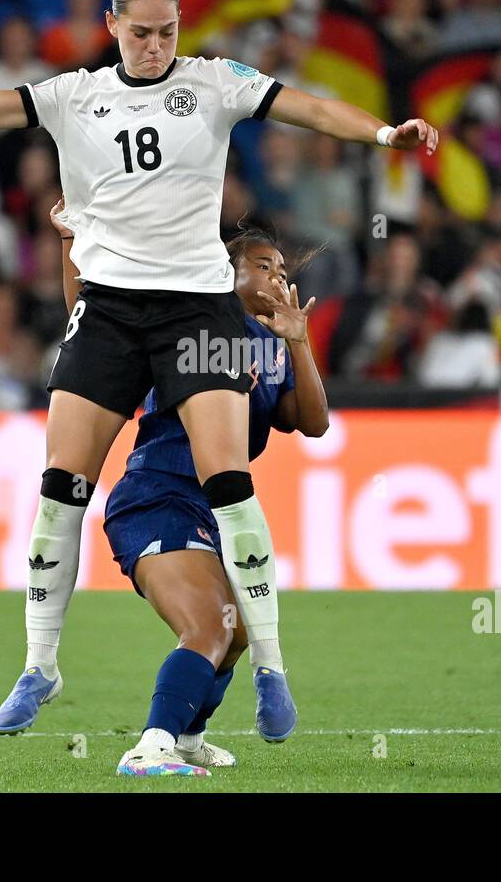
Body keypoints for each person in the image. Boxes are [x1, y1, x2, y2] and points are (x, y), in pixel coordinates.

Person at [0, 0, 436, 744]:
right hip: (109, 310)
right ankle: (40, 665)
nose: (154, 46)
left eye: (167, 32)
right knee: (60, 490)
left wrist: (384, 133)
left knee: (229, 481)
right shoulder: (73, 93)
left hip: (195, 308)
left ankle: (272, 667)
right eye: (140, 32)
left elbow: (307, 107)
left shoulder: (216, 82)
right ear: (113, 26)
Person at [97, 221, 329, 776]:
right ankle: (149, 748)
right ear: (226, 274)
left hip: (212, 509)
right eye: (262, 267)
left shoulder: (273, 346)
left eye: (281, 270)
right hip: (157, 493)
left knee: (238, 629)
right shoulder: (192, 332)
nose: (276, 277)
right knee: (208, 626)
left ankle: (187, 737)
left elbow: (314, 423)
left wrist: (298, 342)